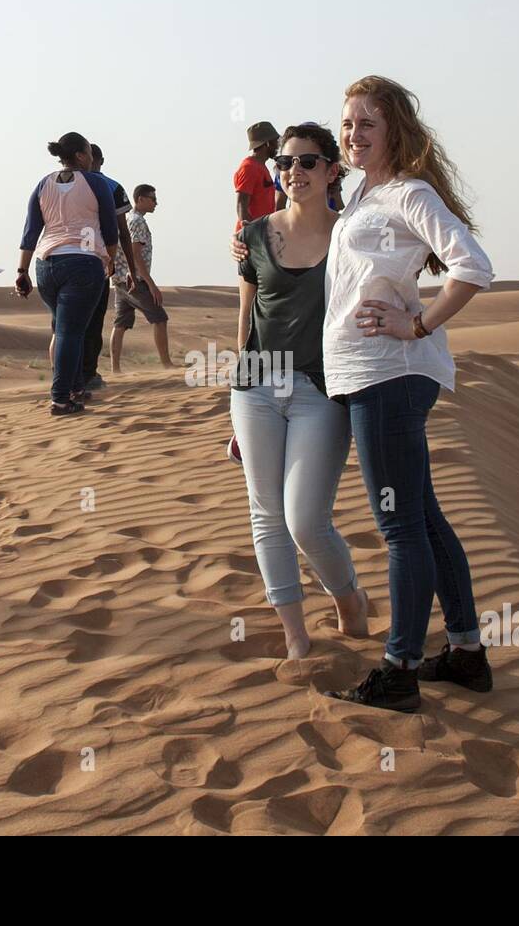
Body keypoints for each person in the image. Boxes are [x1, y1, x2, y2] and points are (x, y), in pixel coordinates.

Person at [231, 76, 495, 713]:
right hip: (361, 376)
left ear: (394, 131)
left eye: (366, 124)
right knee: (424, 518)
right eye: (347, 123)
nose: (353, 134)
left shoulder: (407, 193)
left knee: (399, 526)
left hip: (389, 375)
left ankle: (398, 668)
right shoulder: (366, 200)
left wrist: (419, 322)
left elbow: (473, 266)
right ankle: (465, 650)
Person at [231, 125, 368, 658]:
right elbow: (246, 316)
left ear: (333, 169)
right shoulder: (255, 234)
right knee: (265, 514)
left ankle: (348, 595)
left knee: (306, 519)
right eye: (284, 164)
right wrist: (235, 395)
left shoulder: (352, 234)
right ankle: (296, 638)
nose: (294, 173)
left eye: (308, 162)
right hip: (255, 389)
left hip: (320, 390)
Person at [17, 132, 118, 416]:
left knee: (66, 329)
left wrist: (21, 270)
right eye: (89, 153)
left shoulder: (42, 184)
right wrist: (110, 259)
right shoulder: (96, 182)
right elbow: (110, 227)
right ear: (81, 156)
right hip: (83, 262)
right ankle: (60, 398)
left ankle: (74, 390)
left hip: (46, 264)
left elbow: (30, 232)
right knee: (71, 332)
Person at [75, 143, 134, 392]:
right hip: (96, 261)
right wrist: (130, 267)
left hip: (60, 258)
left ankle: (66, 376)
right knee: (93, 321)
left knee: (66, 324)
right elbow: (122, 232)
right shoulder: (111, 186)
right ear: (100, 159)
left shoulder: (60, 185)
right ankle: (87, 374)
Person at [111, 185, 173, 372]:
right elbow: (136, 255)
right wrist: (151, 284)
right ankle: (166, 364)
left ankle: (115, 369)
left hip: (120, 279)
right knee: (159, 318)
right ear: (140, 199)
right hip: (134, 280)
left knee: (121, 323)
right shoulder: (137, 221)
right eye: (152, 199)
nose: (156, 202)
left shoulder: (128, 218)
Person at [234, 121, 283, 230]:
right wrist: (253, 233)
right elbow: (241, 205)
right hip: (252, 239)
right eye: (275, 141)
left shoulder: (260, 166)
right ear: (267, 143)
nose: (278, 145)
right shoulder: (249, 168)